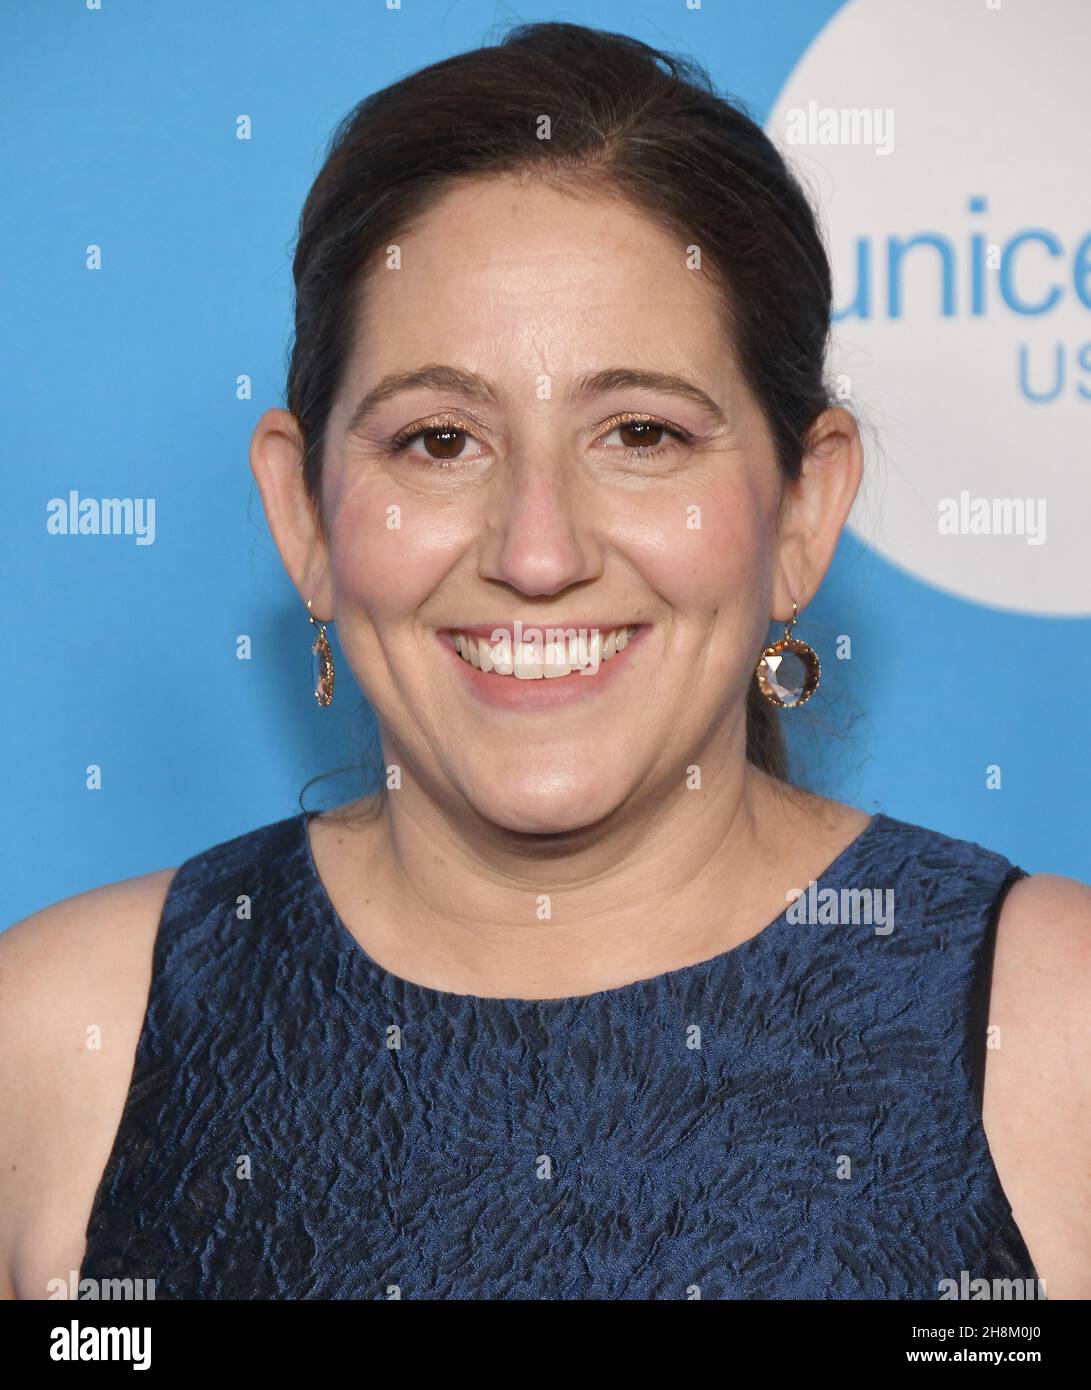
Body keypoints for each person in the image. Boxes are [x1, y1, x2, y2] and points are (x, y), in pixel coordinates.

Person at [2, 21, 1089, 1301]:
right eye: (437, 440)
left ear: (801, 512)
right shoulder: (58, 1039)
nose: (535, 550)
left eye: (638, 431)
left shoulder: (1054, 1033)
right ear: (304, 519)